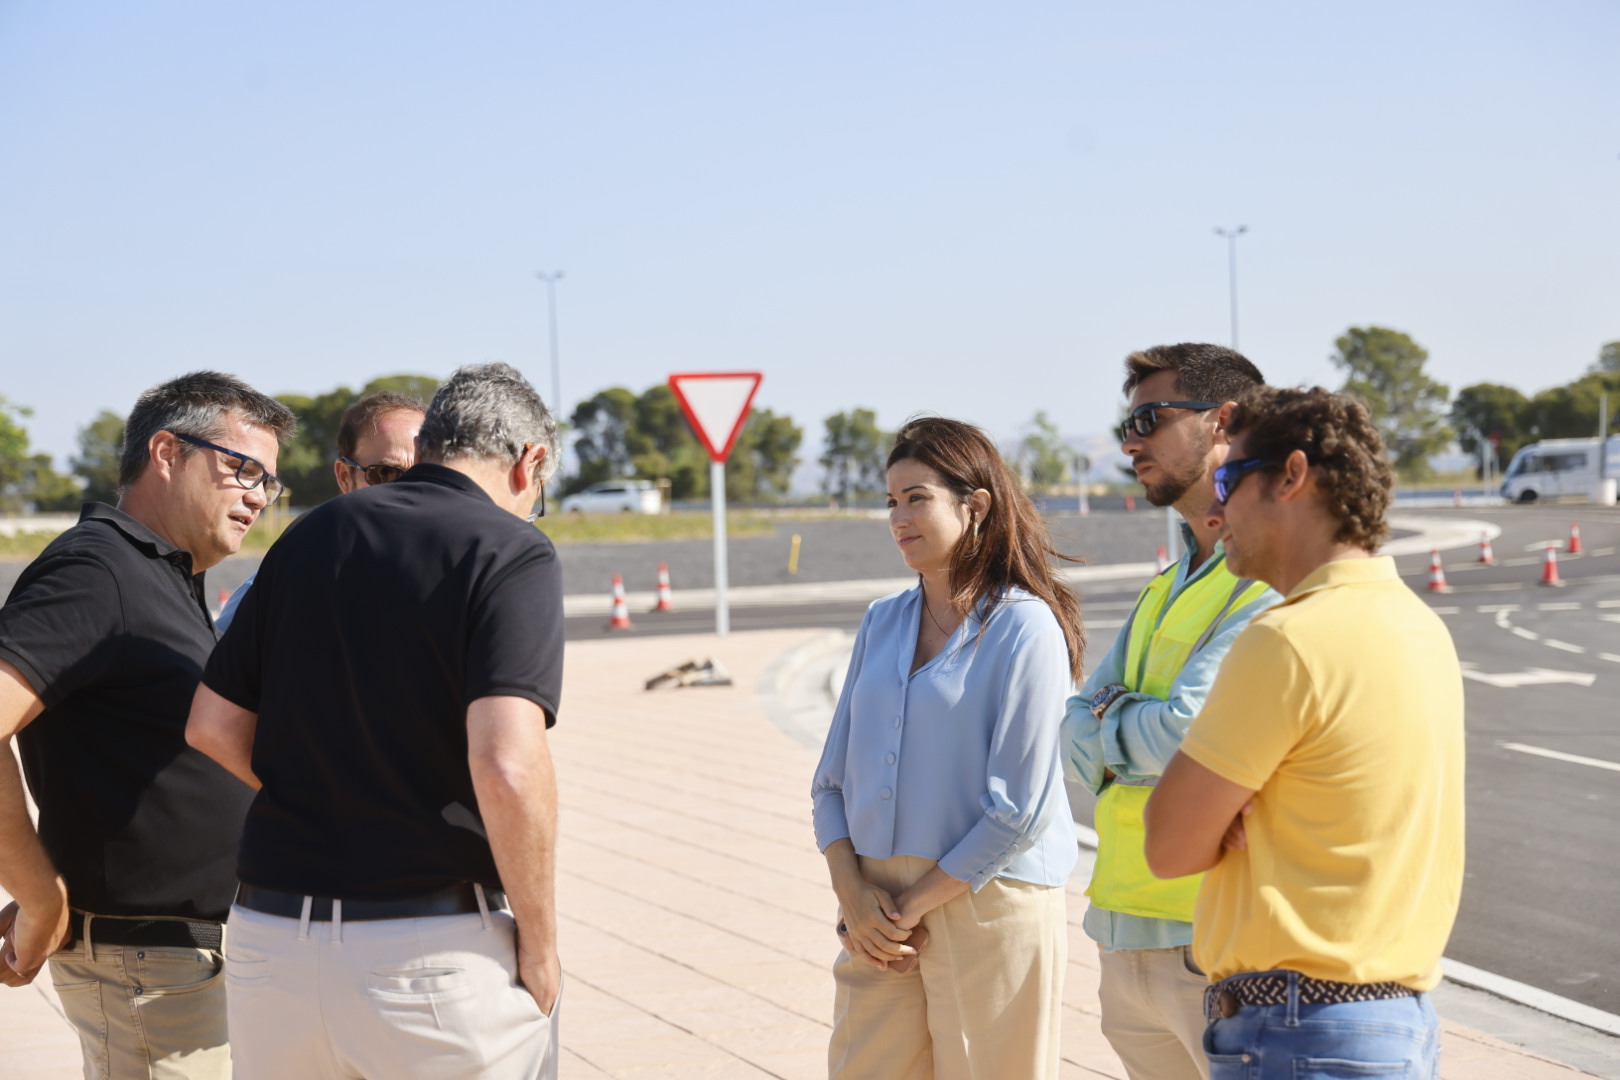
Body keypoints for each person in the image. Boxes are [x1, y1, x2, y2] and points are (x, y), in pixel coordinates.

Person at [187, 362, 565, 1080]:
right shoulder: (509, 548)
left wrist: (326, 793)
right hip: (427, 955)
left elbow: (211, 723)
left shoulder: (309, 536)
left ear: (430, 446)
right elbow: (507, 765)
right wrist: (540, 945)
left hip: (270, 943)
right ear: (530, 462)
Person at [1144, 386, 1464, 1076]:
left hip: (1297, 1028)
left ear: (1292, 475)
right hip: (1397, 1021)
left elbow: (1168, 844)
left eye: (1228, 481)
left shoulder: (1287, 639)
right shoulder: (1420, 626)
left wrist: (1230, 818)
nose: (1214, 511)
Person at [0, 372, 296, 1079]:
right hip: (151, 974)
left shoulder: (163, 575)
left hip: (192, 962)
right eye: (242, 469)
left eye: (269, 481)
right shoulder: (97, 571)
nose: (258, 495)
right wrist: (40, 894)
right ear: (167, 452)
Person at [810, 416, 1085, 1080]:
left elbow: (1019, 809)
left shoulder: (1024, 627)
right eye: (890, 502)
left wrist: (908, 909)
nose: (898, 518)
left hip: (990, 901)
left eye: (917, 498)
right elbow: (829, 784)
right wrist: (854, 896)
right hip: (875, 907)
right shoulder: (881, 621)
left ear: (975, 506)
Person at [1060, 344, 1275, 1080]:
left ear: (1224, 421)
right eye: (1126, 425)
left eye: (1149, 419)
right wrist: (1130, 726)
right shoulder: (1167, 584)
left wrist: (1111, 721)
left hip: (1214, 939)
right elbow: (1070, 737)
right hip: (1123, 933)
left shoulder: (1265, 581)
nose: (1131, 443)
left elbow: (1189, 735)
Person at [216, 389, 425, 631]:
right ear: (345, 477)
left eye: (428, 475)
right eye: (386, 473)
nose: (410, 490)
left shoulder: (459, 585)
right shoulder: (273, 594)